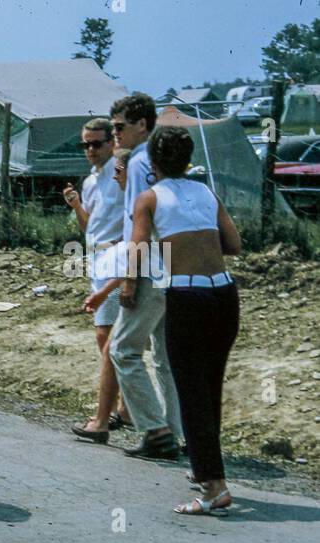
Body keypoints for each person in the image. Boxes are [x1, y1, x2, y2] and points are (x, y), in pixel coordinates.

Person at [129, 126, 242, 515]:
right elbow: (234, 245)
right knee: (209, 389)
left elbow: (139, 249)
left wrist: (129, 288)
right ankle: (206, 468)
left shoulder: (149, 198)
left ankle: (215, 488)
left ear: (153, 162)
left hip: (187, 296)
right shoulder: (206, 192)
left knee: (190, 389)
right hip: (224, 294)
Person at [108, 93, 183, 460]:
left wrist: (130, 278)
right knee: (165, 357)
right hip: (171, 265)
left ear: (142, 124)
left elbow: (141, 224)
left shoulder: (139, 163)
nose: (115, 134)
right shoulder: (158, 162)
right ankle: (178, 431)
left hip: (149, 267)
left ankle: (155, 430)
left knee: (123, 349)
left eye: (121, 126)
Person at [63, 120, 128, 443]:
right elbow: (89, 226)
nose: (90, 150)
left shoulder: (121, 175)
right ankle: (125, 405)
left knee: (109, 336)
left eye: (96, 144)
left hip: (117, 254)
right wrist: (76, 205)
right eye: (85, 144)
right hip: (98, 255)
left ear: (110, 143)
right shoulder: (91, 181)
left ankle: (107, 415)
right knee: (104, 339)